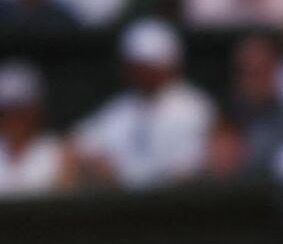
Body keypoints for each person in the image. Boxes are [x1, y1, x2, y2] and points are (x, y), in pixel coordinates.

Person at [70, 18, 215, 189]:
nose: (140, 72)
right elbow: (80, 143)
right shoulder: (120, 107)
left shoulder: (194, 107)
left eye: (147, 66)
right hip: (122, 199)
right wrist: (97, 164)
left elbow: (189, 169)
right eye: (135, 65)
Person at [0, 60, 68, 196]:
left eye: (19, 111)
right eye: (3, 112)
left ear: (37, 111)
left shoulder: (59, 153)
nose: (12, 120)